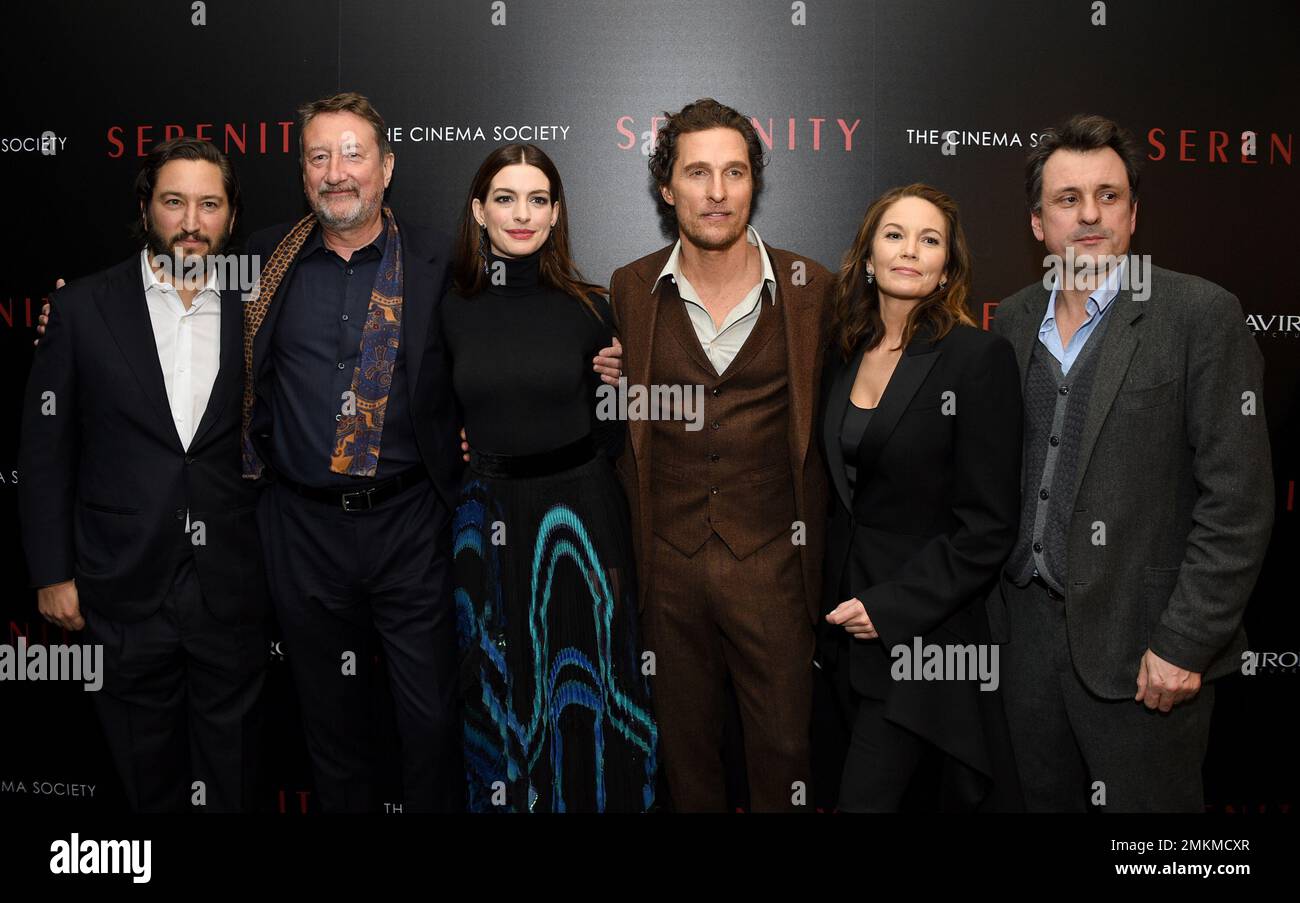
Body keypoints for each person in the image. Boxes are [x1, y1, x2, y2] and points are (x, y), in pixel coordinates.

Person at [989, 114, 1273, 812]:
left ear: (1134, 212)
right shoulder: (1012, 320)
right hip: (1024, 646)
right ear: (1037, 224)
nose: (1090, 214)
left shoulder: (1199, 315)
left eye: (1108, 195)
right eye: (1067, 198)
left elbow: (1237, 500)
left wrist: (1184, 642)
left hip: (1144, 653)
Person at [18, 137, 268, 812]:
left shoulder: (260, 305)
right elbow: (46, 450)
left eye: (209, 203)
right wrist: (51, 572)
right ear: (145, 208)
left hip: (232, 586)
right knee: (143, 780)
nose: (192, 220)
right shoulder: (81, 309)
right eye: (174, 201)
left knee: (233, 779)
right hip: (120, 585)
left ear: (231, 214)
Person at [609, 98, 833, 811]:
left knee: (785, 755)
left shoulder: (811, 288)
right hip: (665, 566)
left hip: (773, 562)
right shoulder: (630, 288)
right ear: (667, 187)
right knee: (683, 761)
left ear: (753, 184)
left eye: (733, 172)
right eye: (697, 172)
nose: (716, 191)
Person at [441, 144, 657, 812]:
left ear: (557, 211)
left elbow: (613, 432)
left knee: (585, 696)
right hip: (486, 519)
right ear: (479, 210)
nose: (522, 213)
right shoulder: (449, 305)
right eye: (505, 198)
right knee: (497, 696)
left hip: (578, 521)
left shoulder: (592, 306)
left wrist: (615, 389)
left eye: (538, 199)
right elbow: (431, 406)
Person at [818, 183, 1023, 811]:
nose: (910, 251)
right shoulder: (846, 351)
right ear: (869, 255)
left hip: (924, 643)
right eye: (895, 235)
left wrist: (893, 607)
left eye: (929, 240)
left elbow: (988, 526)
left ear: (946, 267)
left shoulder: (976, 358)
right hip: (843, 634)